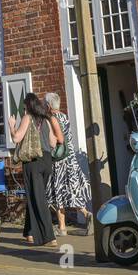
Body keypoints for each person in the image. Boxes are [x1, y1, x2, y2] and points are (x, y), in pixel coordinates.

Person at [9, 92, 64, 247]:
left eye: (25, 106)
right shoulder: (46, 120)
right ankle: (29, 232)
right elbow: (53, 143)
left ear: (28, 106)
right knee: (35, 196)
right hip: (47, 162)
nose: (24, 109)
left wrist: (12, 126)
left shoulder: (28, 117)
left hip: (33, 162)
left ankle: (49, 236)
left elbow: (16, 138)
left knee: (39, 199)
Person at [43, 92, 92, 235]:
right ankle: (86, 214)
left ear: (48, 105)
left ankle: (62, 227)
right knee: (71, 190)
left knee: (58, 191)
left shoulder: (52, 118)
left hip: (59, 160)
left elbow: (58, 139)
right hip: (70, 158)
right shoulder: (64, 116)